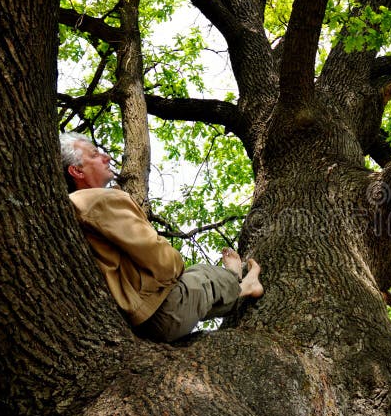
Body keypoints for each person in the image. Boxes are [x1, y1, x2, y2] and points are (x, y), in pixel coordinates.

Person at [59, 132, 263, 342]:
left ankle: (236, 286)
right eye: (94, 154)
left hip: (137, 321)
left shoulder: (71, 208)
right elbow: (162, 261)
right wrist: (176, 265)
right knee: (200, 274)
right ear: (76, 170)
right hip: (162, 311)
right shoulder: (96, 201)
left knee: (196, 287)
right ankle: (238, 281)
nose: (107, 157)